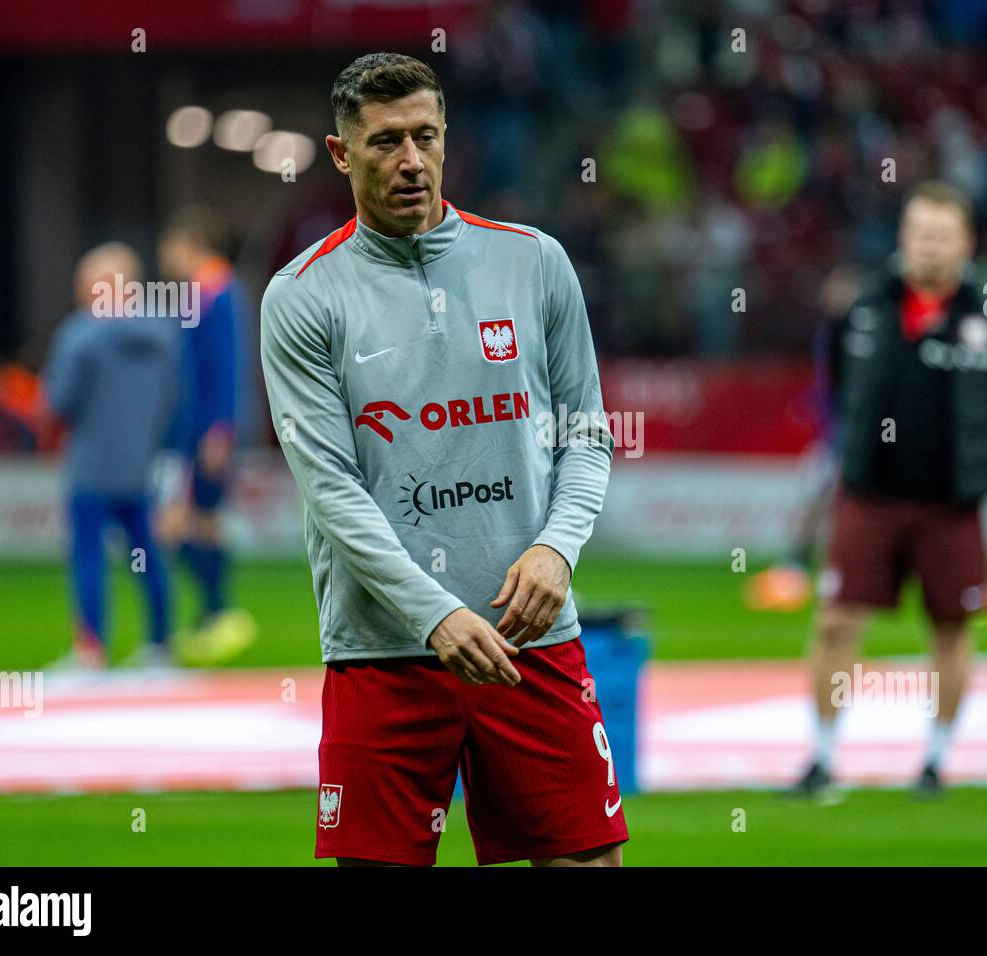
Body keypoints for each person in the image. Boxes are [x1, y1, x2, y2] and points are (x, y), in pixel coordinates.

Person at [260, 53, 626, 866]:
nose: (411, 161)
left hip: (528, 640)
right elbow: (331, 489)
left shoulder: (533, 262)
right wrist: (433, 615)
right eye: (386, 141)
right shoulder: (303, 295)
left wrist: (556, 548)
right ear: (341, 154)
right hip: (383, 652)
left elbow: (587, 434)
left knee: (587, 862)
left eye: (426, 136)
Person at [791, 181, 987, 799]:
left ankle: (936, 762)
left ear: (966, 242)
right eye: (921, 232)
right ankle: (820, 758)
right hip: (869, 496)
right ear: (903, 237)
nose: (931, 245)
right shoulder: (862, 307)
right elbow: (839, 385)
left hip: (951, 504)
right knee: (836, 622)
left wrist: (981, 476)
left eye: (943, 234)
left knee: (951, 627)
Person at [43, 242, 179, 669]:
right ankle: (160, 647)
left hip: (91, 467)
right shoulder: (165, 335)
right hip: (142, 467)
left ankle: (91, 651)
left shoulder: (78, 336)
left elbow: (59, 402)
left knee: (88, 558)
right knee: (149, 559)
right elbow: (176, 400)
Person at [157, 208, 257, 665]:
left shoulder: (215, 290)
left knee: (180, 524)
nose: (165, 257)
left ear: (192, 244)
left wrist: (220, 427)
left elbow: (226, 365)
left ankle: (220, 612)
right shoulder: (210, 291)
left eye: (172, 247)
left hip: (204, 430)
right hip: (198, 429)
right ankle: (214, 616)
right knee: (202, 524)